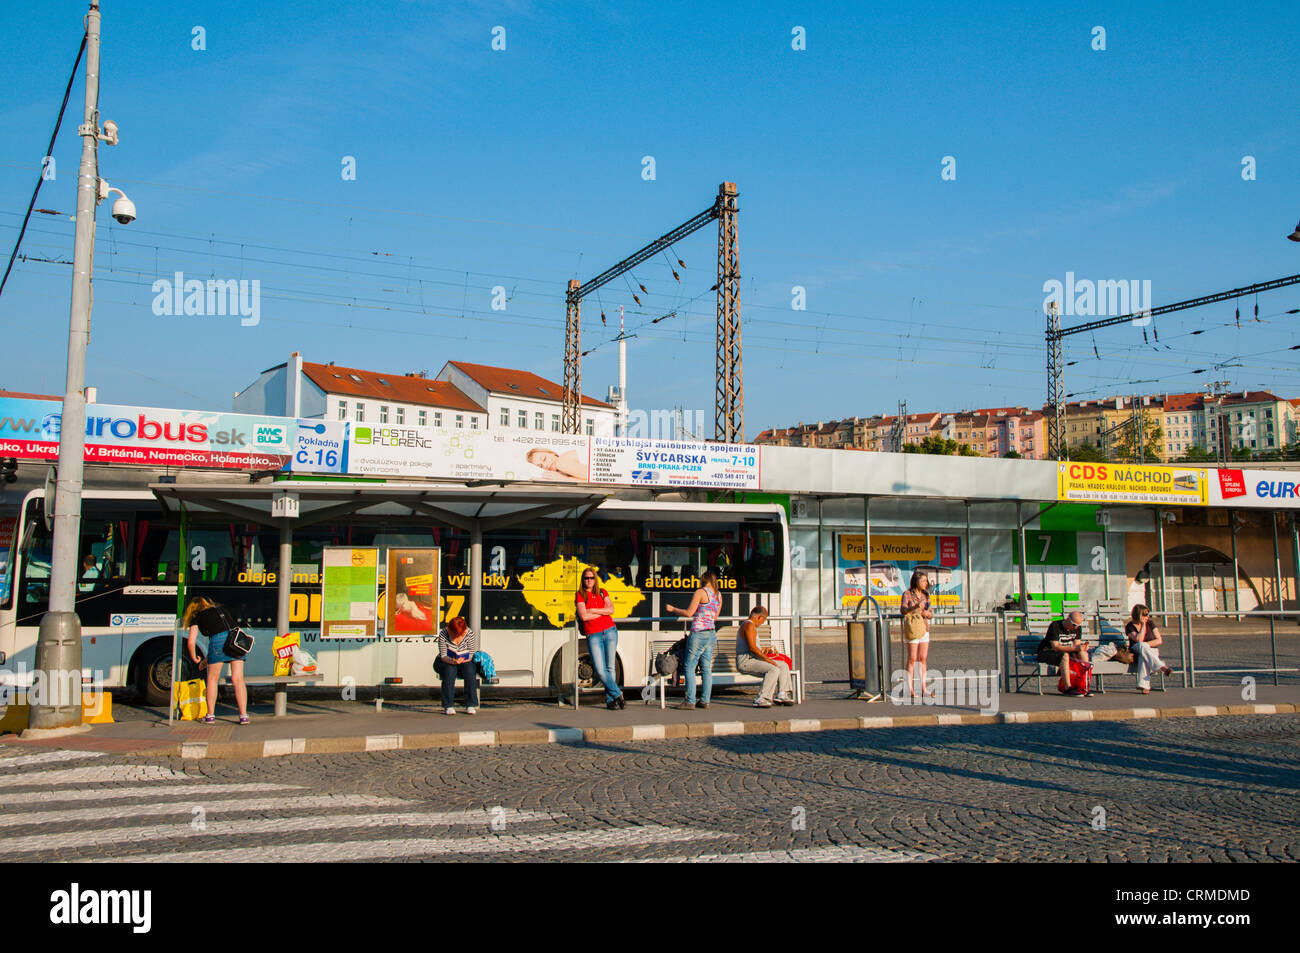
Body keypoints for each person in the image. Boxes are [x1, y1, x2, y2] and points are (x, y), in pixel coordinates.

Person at [183, 596, 249, 725]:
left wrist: (194, 656)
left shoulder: (197, 616)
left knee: (212, 679)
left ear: (192, 609)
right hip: (236, 640)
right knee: (238, 679)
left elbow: (191, 642)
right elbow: (226, 637)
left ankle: (210, 715)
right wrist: (204, 662)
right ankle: (243, 716)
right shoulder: (221, 609)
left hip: (217, 641)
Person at [666, 570, 722, 709]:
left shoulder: (700, 592)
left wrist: (673, 609)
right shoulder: (718, 595)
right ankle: (705, 700)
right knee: (706, 668)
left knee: (689, 666)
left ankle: (690, 700)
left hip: (698, 633)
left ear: (704, 579)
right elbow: (714, 617)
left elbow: (689, 613)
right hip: (711, 633)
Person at [575, 566, 625, 709]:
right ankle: (617, 694)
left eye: (591, 578)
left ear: (595, 579)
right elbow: (584, 616)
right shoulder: (580, 594)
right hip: (594, 634)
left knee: (610, 667)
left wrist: (593, 610)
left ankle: (611, 700)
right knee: (600, 669)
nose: (589, 580)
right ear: (583, 580)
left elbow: (612, 609)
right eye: (586, 578)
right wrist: (602, 612)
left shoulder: (602, 592)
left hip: (610, 631)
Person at [734, 605, 794, 707]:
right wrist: (768, 660)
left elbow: (754, 648)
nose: (762, 623)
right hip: (745, 661)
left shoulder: (750, 626)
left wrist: (764, 650)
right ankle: (762, 698)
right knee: (773, 669)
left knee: (783, 665)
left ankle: (782, 694)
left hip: (752, 659)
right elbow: (752, 649)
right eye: (764, 619)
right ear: (759, 617)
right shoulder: (748, 626)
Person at [1037, 610, 1092, 696]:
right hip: (1047, 652)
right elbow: (1055, 646)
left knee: (1083, 654)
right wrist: (1075, 648)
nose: (1076, 628)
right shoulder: (1055, 626)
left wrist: (1082, 647)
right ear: (1067, 620)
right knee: (1064, 655)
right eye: (1074, 625)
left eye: (1078, 625)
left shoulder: (1077, 628)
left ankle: (1083, 687)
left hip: (1063, 652)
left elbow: (1076, 644)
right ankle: (1068, 688)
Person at [900, 570, 934, 699]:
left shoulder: (926, 595)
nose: (926, 583)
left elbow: (930, 613)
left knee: (923, 658)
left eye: (926, 581)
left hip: (924, 628)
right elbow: (903, 610)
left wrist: (926, 613)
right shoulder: (907, 594)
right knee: (912, 658)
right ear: (916, 581)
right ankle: (910, 688)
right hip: (913, 628)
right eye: (923, 581)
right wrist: (914, 607)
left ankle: (924, 688)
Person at [1124, 604, 1173, 695]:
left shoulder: (1150, 623)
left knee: (1144, 655)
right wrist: (1143, 626)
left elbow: (1159, 640)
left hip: (1150, 650)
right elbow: (1138, 639)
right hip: (1136, 650)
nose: (1148, 617)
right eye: (1145, 615)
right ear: (1138, 615)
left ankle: (1144, 686)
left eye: (1148, 614)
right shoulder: (1130, 626)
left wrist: (1145, 645)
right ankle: (1161, 666)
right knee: (1142, 647)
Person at [436, 616, 479, 714]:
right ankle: (448, 705)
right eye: (454, 634)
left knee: (470, 670)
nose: (457, 637)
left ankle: (470, 704)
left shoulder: (469, 633)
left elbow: (471, 652)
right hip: (446, 661)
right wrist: (452, 660)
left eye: (460, 634)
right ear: (450, 630)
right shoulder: (443, 634)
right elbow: (443, 655)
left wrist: (463, 659)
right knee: (449, 671)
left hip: (464, 660)